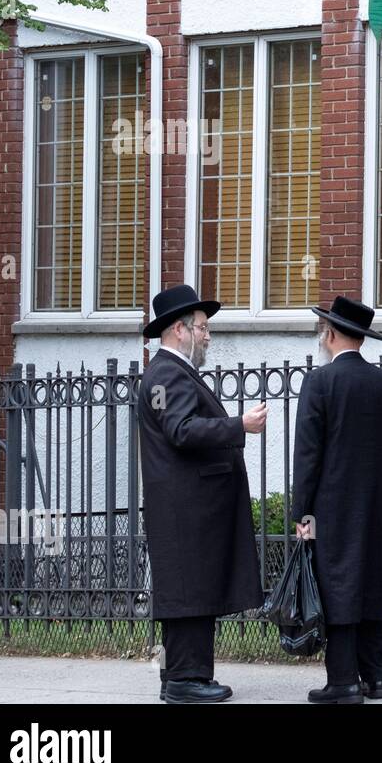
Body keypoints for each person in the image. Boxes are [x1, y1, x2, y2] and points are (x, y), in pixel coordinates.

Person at [137, 284, 268, 703]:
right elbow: (181, 430)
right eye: (203, 327)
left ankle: (181, 675)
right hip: (185, 509)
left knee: (191, 589)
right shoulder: (165, 374)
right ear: (180, 329)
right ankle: (186, 680)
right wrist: (238, 425)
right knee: (189, 591)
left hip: (189, 508)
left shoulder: (171, 372)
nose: (208, 335)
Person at [291, 295, 382, 704]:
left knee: (337, 584)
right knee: (372, 582)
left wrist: (302, 511)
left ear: (330, 334)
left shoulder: (319, 382)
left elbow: (307, 455)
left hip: (332, 506)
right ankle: (376, 678)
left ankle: (342, 681)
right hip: (377, 503)